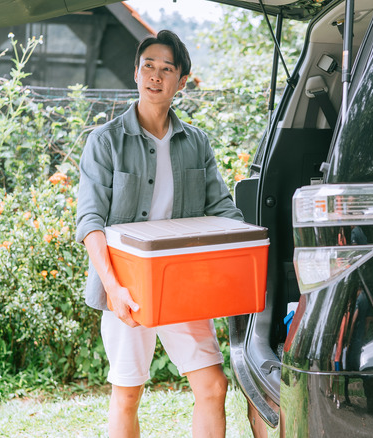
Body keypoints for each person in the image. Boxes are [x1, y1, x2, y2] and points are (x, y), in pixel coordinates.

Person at [75, 30, 243, 438]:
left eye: (167, 69)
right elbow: (90, 221)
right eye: (148, 66)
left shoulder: (196, 142)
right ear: (135, 72)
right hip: (127, 284)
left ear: (181, 81)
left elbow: (222, 208)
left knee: (212, 386)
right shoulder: (105, 141)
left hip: (182, 281)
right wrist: (113, 287)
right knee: (127, 394)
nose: (155, 75)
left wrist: (248, 248)